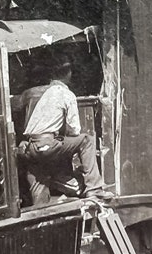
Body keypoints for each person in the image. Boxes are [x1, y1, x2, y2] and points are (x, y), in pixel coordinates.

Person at [18, 61, 113, 204]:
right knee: (87, 140)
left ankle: (41, 215)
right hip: (48, 145)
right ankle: (94, 189)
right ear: (69, 74)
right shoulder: (66, 94)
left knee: (39, 184)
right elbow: (74, 130)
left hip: (30, 147)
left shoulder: (41, 94)